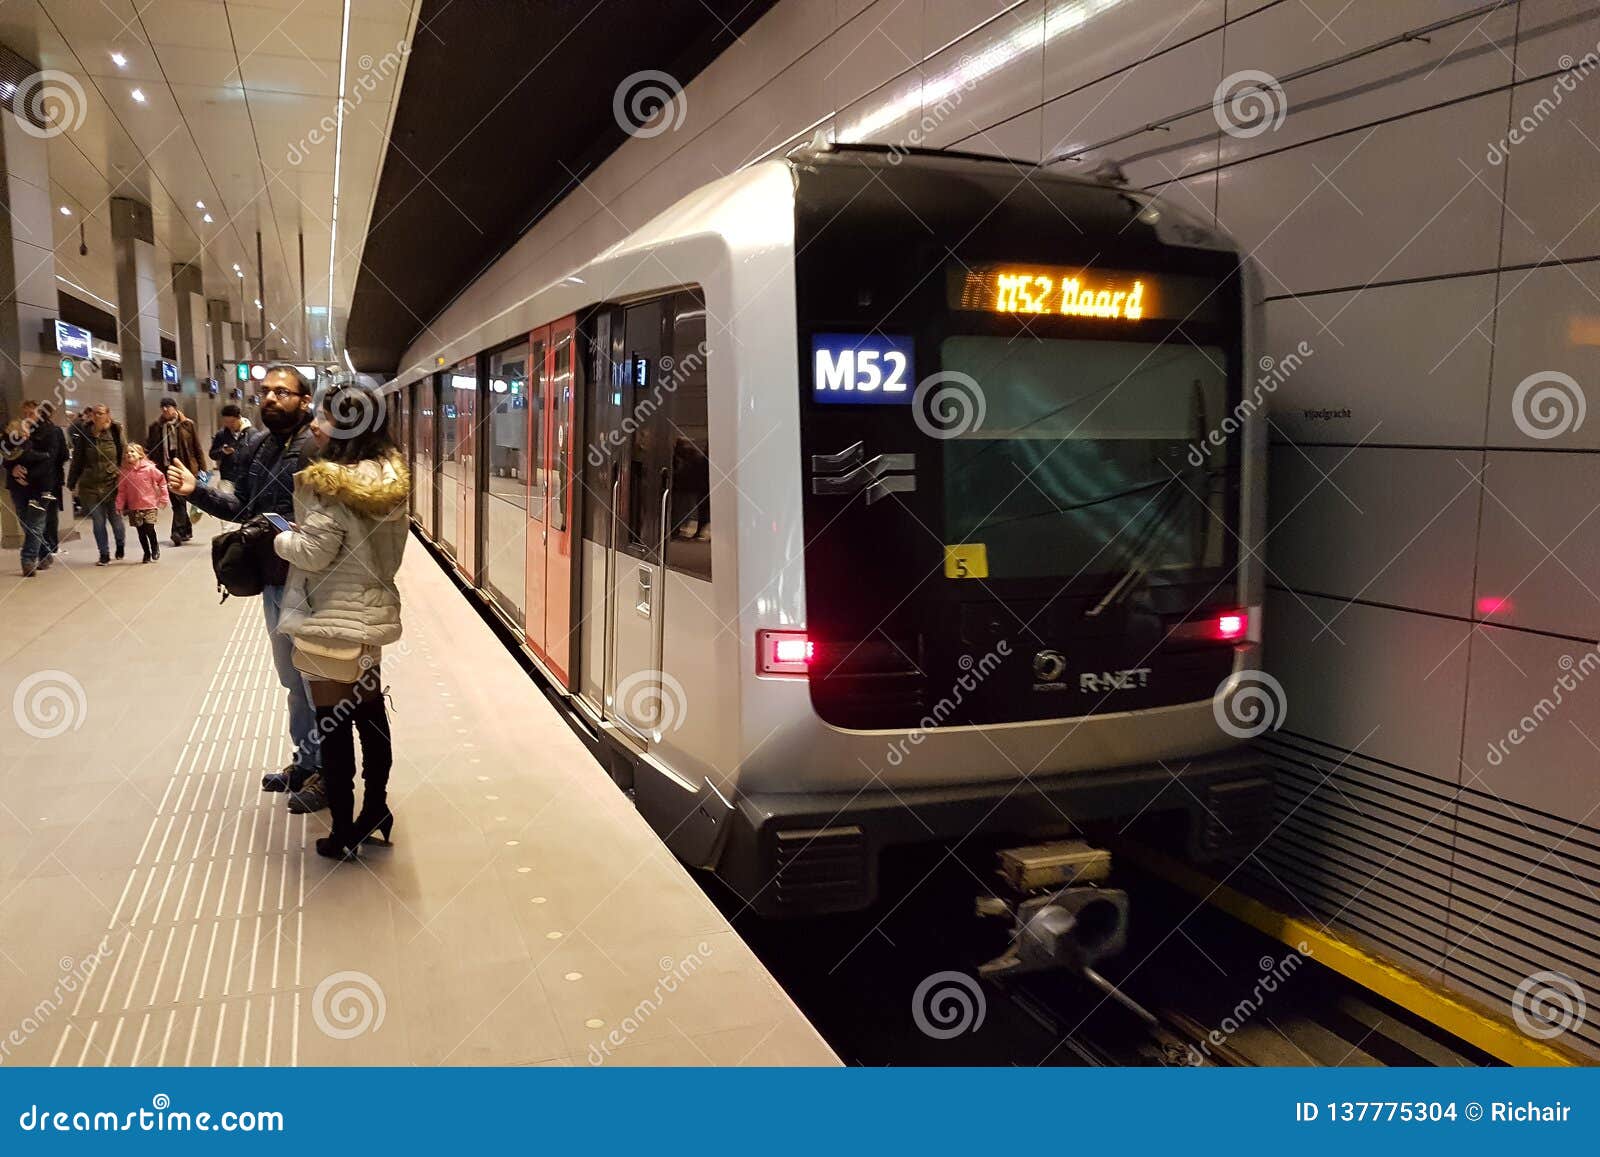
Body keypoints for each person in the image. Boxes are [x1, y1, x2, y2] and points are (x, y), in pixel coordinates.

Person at [167, 366, 324, 811]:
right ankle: (307, 761)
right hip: (274, 579)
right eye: (266, 391)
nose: (271, 398)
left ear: (305, 399)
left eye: (282, 392)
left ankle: (329, 772)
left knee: (317, 681)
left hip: (313, 582)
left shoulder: (317, 448)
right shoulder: (260, 447)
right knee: (292, 679)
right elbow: (243, 508)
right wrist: (196, 491)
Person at [272, 378, 409, 860]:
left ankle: (344, 830)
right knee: (369, 714)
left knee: (331, 726)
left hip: (331, 617)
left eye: (324, 417)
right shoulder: (388, 477)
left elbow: (314, 553)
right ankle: (376, 809)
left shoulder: (329, 487)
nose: (315, 424)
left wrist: (281, 538)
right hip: (368, 614)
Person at [4, 400, 68, 574]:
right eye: (25, 413)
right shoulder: (14, 431)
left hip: (41, 484)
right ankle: (45, 551)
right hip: (17, 485)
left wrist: (28, 476)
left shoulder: (51, 432)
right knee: (25, 521)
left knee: (36, 523)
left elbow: (50, 459)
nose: (27, 417)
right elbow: (6, 455)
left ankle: (28, 559)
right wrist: (13, 468)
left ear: (39, 414)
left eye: (31, 413)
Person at [68, 404, 126, 565]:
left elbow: (124, 456)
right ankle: (104, 554)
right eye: (94, 413)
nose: (97, 416)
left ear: (107, 414)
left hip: (112, 483)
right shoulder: (84, 433)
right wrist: (72, 480)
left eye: (100, 413)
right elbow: (78, 459)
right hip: (90, 485)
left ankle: (120, 544)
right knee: (98, 522)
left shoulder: (115, 431)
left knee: (116, 522)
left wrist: (125, 479)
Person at [147, 397, 206, 546]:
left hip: (185, 467)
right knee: (177, 500)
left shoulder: (187, 424)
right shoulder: (155, 427)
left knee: (180, 500)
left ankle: (180, 531)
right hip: (166, 468)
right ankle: (180, 531)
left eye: (168, 406)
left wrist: (202, 469)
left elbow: (197, 447)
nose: (165, 409)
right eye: (162, 407)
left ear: (175, 408)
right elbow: (150, 448)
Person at [116, 443, 169, 563]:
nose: (129, 454)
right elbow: (122, 491)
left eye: (132, 451)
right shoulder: (124, 473)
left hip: (149, 505)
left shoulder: (149, 468)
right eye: (127, 452)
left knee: (149, 528)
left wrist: (164, 498)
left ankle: (154, 547)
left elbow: (162, 481)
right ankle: (146, 553)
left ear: (140, 454)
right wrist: (119, 505)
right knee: (141, 532)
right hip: (134, 507)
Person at [209, 404, 251, 492]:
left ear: (239, 417)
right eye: (226, 422)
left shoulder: (250, 434)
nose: (229, 425)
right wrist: (222, 451)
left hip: (245, 478)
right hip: (227, 477)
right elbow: (212, 454)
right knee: (225, 499)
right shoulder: (221, 434)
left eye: (232, 422)